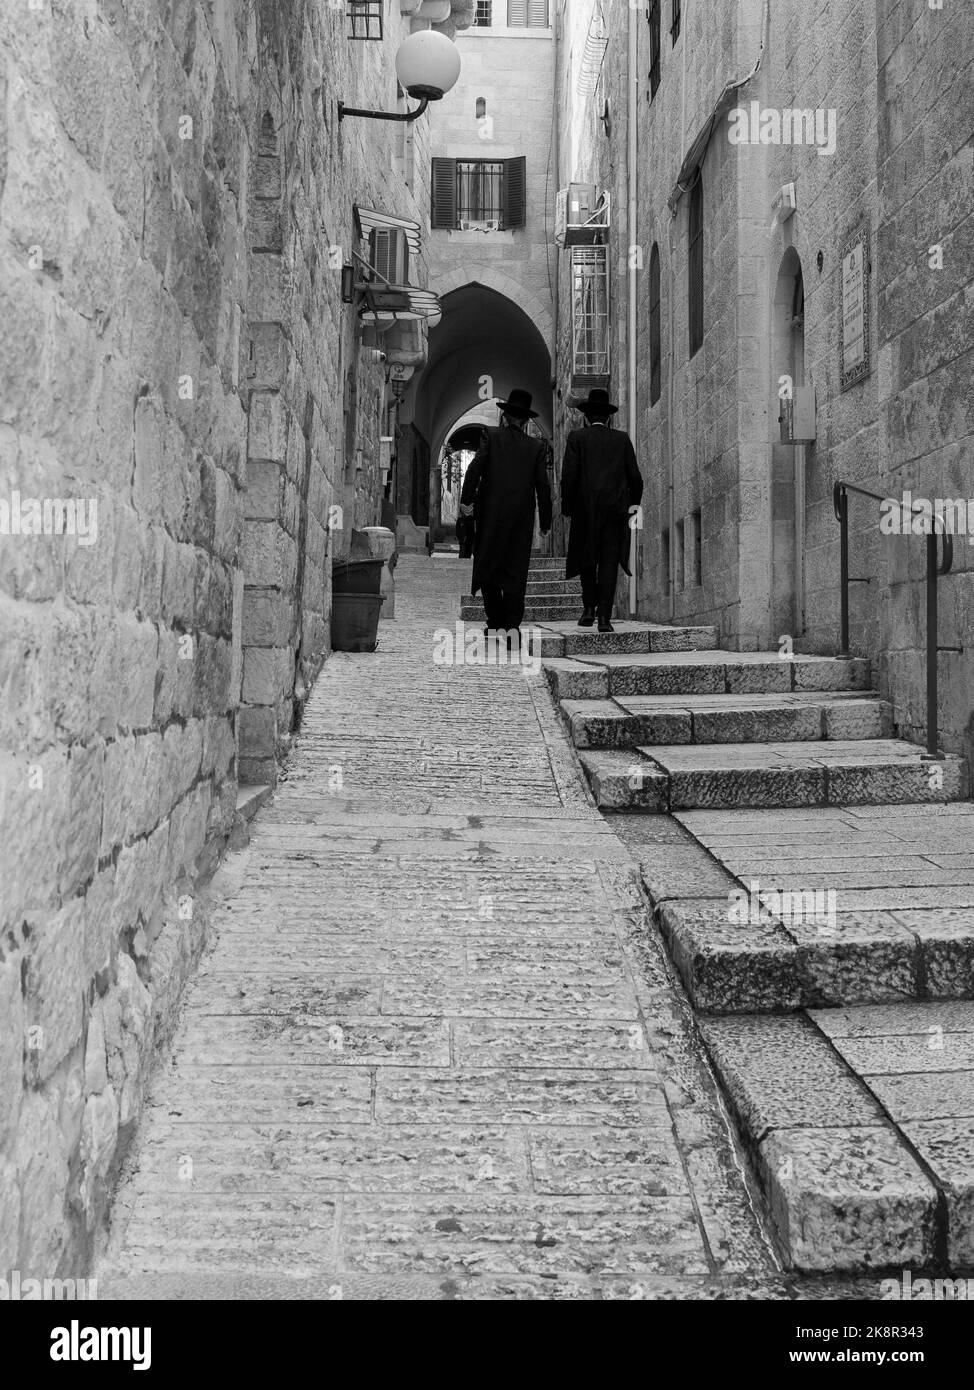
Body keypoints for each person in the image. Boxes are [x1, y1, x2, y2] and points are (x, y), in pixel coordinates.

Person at [459, 390, 552, 644]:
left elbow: (475, 468)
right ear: (526, 421)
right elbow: (543, 487)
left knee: (488, 567)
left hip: (490, 517)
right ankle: (512, 628)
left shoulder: (490, 435)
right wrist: (545, 522)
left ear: (505, 416)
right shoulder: (535, 447)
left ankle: (495, 622)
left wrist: (466, 501)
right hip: (520, 521)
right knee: (515, 572)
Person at [561, 387, 643, 633]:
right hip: (614, 513)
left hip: (585, 510)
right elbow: (636, 479)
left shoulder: (576, 438)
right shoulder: (622, 439)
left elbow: (569, 477)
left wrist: (567, 507)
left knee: (587, 559)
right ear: (608, 418)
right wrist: (632, 508)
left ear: (586, 417)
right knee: (608, 562)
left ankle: (588, 609)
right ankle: (604, 618)